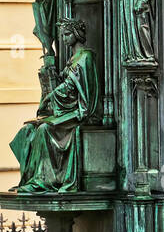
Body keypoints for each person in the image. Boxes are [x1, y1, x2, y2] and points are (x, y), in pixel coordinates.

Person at [9, 18, 100, 193]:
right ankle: (31, 179)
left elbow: (82, 92)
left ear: (76, 34)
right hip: (65, 111)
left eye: (67, 35)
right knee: (28, 130)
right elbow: (66, 86)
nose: (64, 39)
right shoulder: (74, 58)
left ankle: (45, 180)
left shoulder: (86, 57)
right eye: (63, 35)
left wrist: (54, 94)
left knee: (43, 130)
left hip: (78, 114)